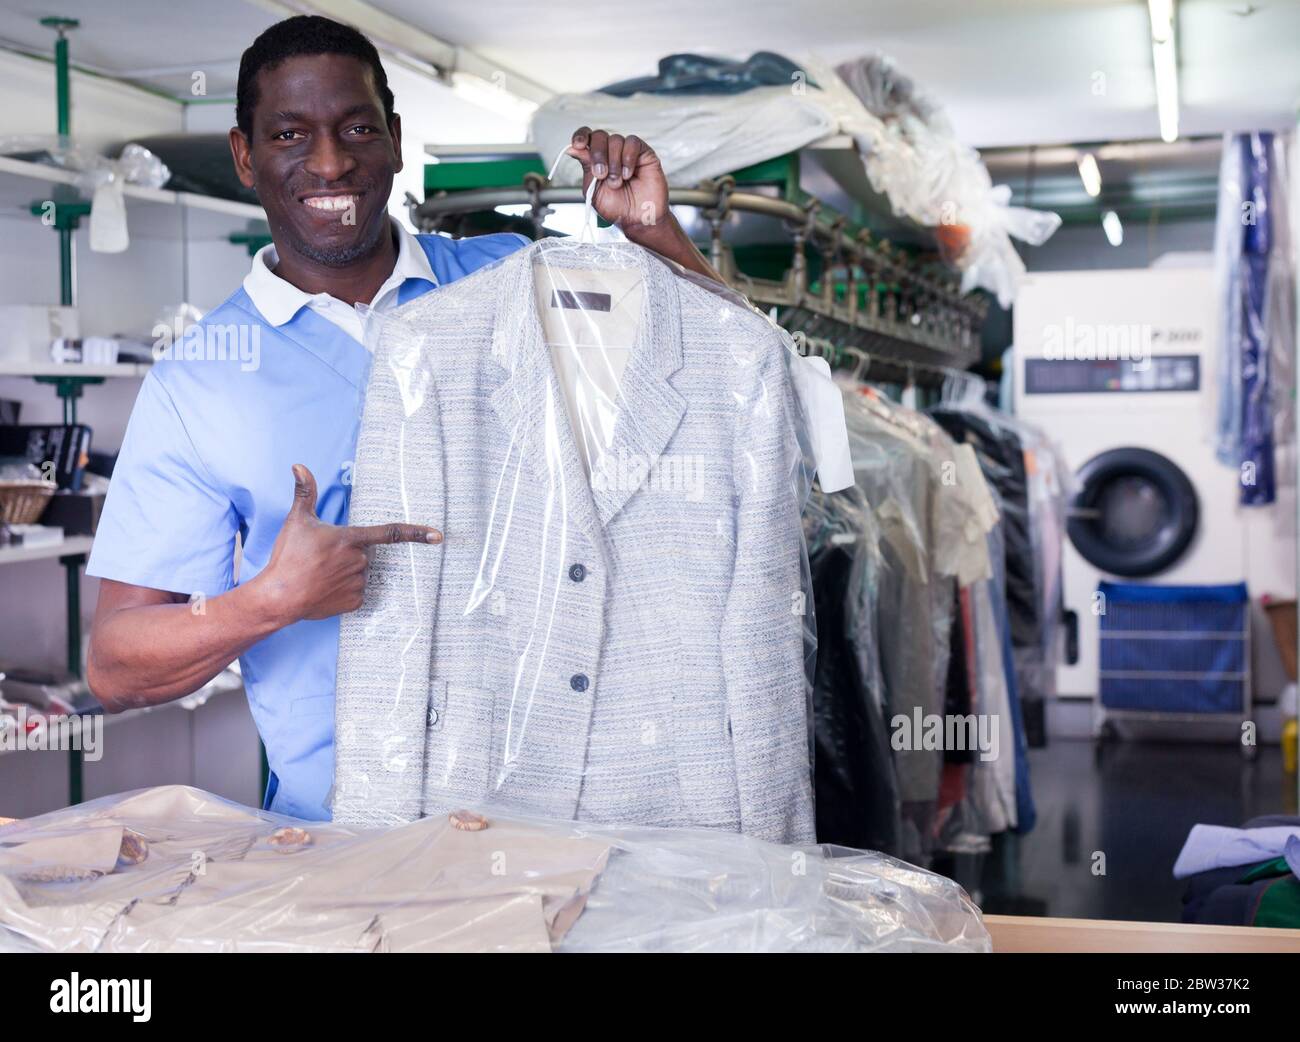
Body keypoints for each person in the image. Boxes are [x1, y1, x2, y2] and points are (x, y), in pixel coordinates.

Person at [85, 15, 723, 821]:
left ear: (394, 136)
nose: (330, 161)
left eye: (357, 127)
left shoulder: (512, 280)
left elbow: (713, 376)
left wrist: (654, 236)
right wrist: (270, 599)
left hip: (566, 807)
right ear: (246, 155)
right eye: (290, 133)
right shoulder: (199, 382)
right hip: (345, 835)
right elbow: (114, 662)